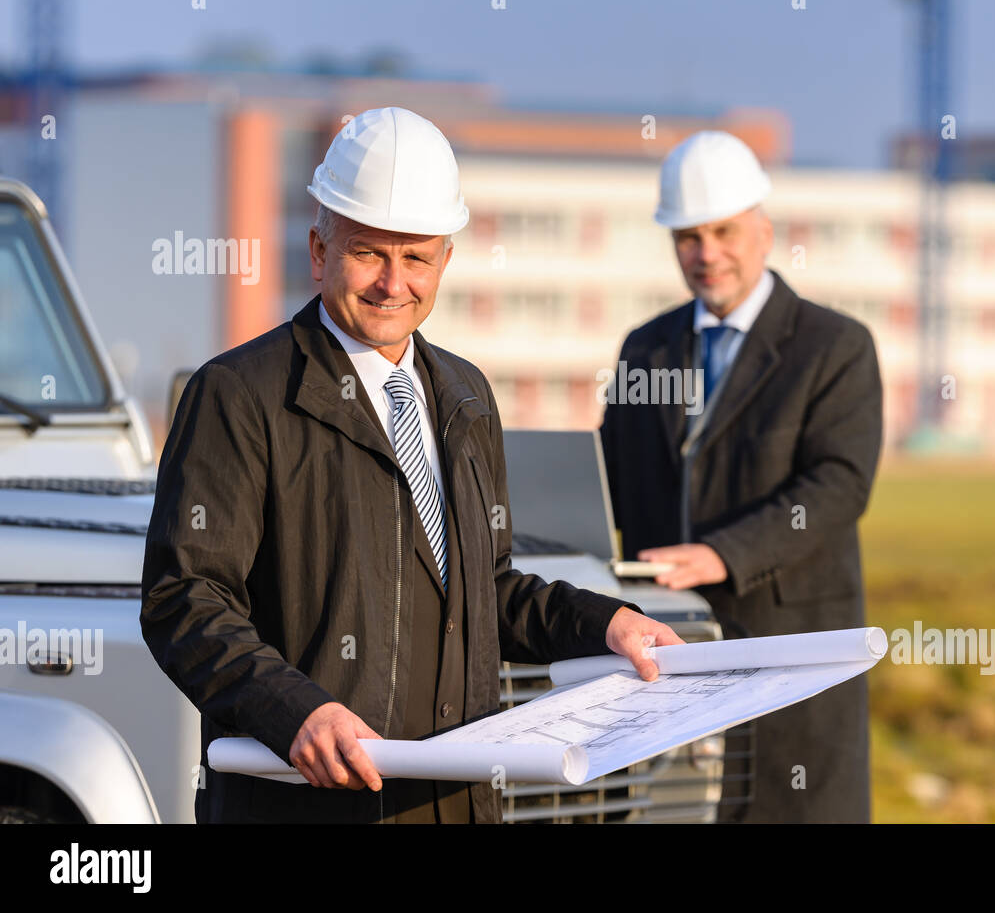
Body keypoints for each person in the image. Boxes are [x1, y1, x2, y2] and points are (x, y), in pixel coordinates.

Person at [141, 106, 681, 824]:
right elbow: (187, 600)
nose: (394, 283)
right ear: (318, 249)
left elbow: (484, 592)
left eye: (417, 257)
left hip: (453, 803)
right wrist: (294, 712)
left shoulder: (466, 396)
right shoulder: (239, 395)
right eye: (369, 252)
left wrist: (604, 620)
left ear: (446, 261)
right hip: (309, 805)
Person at [599, 131, 884, 823]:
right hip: (672, 651)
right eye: (688, 237)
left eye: (723, 231)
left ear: (763, 229)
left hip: (788, 651)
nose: (706, 254)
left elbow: (840, 483)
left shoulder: (834, 347)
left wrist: (726, 553)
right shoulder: (648, 346)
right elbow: (611, 471)